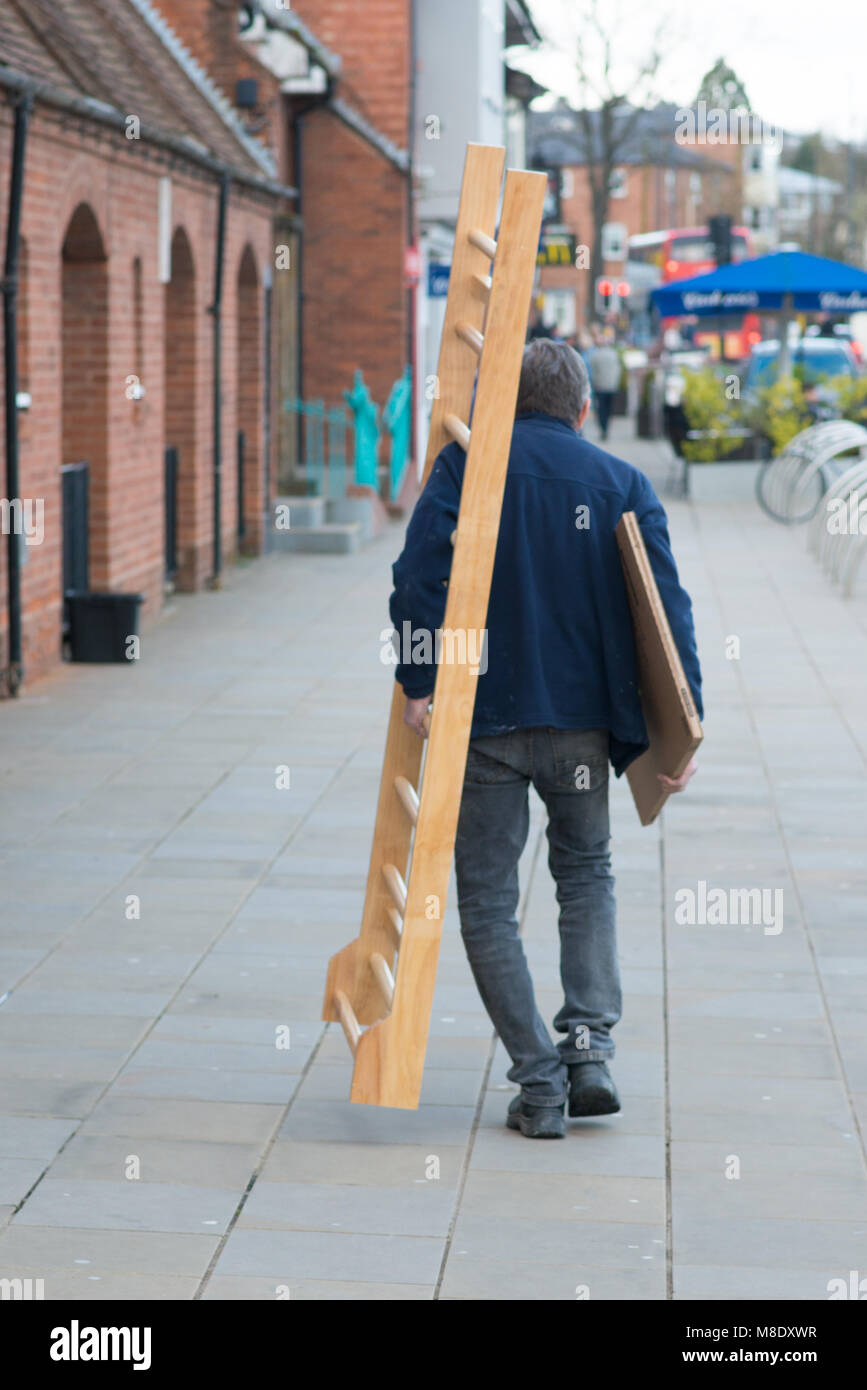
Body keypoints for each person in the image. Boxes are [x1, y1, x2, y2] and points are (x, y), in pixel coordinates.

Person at [389, 339, 702, 1139]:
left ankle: (538, 1082)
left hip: (484, 722)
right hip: (582, 731)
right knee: (585, 874)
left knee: (487, 905)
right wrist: (682, 725)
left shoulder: (466, 468)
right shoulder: (620, 482)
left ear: (503, 399)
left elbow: (417, 575)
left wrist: (420, 680)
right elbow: (667, 610)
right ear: (583, 406)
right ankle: (588, 1046)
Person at [588, 327, 621, 441]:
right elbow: (618, 369)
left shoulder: (595, 356)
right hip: (611, 386)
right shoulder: (614, 354)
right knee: (609, 408)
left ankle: (603, 429)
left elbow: (593, 371)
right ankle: (606, 428)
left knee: (601, 409)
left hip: (600, 386)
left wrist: (595, 383)